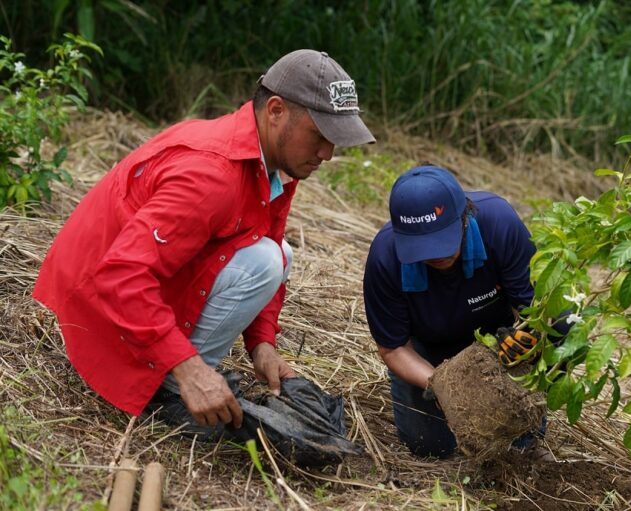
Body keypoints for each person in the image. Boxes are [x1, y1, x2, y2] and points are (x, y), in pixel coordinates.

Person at [33, 49, 375, 438]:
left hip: (123, 288)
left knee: (276, 254)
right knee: (265, 260)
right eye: (320, 135)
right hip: (93, 309)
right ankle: (170, 388)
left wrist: (262, 343)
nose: (327, 154)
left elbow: (271, 238)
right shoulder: (210, 175)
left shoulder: (277, 163)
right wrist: (188, 367)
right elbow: (121, 273)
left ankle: (175, 370)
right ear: (276, 111)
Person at [363, 164, 566, 458]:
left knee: (564, 322)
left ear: (465, 216)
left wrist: (528, 340)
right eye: (424, 247)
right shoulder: (386, 258)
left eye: (443, 241)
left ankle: (528, 425)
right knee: (430, 447)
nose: (437, 255)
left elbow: (537, 308)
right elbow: (393, 347)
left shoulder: (499, 224)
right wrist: (443, 385)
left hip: (497, 341)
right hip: (428, 351)